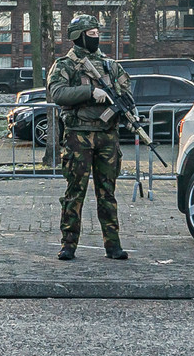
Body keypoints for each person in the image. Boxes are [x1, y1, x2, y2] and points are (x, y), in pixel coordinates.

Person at [47, 14, 132, 261]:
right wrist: (89, 92)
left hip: (107, 136)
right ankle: (68, 244)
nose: (96, 38)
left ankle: (113, 245)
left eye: (97, 33)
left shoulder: (109, 64)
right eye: (91, 34)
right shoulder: (65, 65)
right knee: (75, 192)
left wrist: (117, 98)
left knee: (107, 193)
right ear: (79, 36)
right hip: (79, 136)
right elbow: (58, 93)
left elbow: (125, 89)